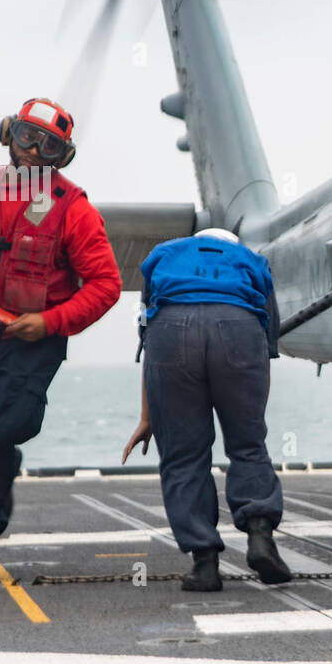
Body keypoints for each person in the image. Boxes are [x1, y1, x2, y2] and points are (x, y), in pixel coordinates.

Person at [0, 97, 122, 584]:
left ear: (64, 157)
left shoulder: (74, 211)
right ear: (8, 136)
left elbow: (106, 285)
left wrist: (51, 322)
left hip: (32, 346)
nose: (35, 151)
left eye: (50, 146)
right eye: (27, 138)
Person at [122, 228, 290, 590]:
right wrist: (251, 418)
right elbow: (268, 344)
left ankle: (205, 564)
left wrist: (147, 418)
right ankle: (260, 538)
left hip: (170, 333)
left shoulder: (163, 255)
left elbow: (147, 334)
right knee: (247, 446)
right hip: (239, 329)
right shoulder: (251, 261)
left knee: (183, 454)